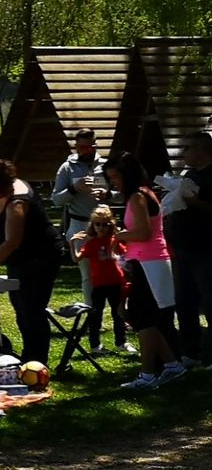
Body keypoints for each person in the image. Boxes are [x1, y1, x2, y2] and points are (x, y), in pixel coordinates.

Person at [106, 151, 184, 390]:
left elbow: (143, 233)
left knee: (142, 319)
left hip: (148, 263)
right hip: (149, 262)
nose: (113, 183)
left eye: (116, 177)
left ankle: (148, 375)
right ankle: (171, 365)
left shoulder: (137, 196)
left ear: (127, 175)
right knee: (145, 319)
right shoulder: (145, 193)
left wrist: (117, 234)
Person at [0, 159, 60, 367]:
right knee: (20, 308)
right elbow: (5, 227)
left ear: (7, 186)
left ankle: (37, 362)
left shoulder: (17, 202)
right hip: (20, 257)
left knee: (32, 309)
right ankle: (29, 356)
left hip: (40, 257)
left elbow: (13, 241)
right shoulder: (2, 191)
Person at [165, 131, 212, 369]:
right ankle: (190, 352)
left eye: (188, 148)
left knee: (210, 302)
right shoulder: (188, 175)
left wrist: (196, 203)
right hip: (182, 249)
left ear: (202, 150)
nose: (184, 153)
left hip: (206, 251)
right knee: (184, 302)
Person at [51, 128, 108, 304]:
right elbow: (56, 200)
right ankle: (92, 313)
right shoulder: (67, 168)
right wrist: (74, 189)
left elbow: (121, 193)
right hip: (79, 225)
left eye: (90, 147)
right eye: (81, 148)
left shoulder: (105, 166)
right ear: (76, 146)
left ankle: (116, 314)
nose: (85, 151)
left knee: (110, 269)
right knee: (87, 273)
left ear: (95, 145)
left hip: (104, 227)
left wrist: (107, 194)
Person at [69, 204, 129, 356]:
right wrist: (72, 243)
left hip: (116, 282)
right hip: (99, 284)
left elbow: (127, 254)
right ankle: (95, 345)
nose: (101, 228)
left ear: (110, 225)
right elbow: (76, 258)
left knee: (119, 314)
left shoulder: (114, 240)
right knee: (96, 315)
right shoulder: (91, 244)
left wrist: (125, 237)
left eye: (105, 224)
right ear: (93, 225)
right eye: (98, 224)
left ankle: (121, 342)